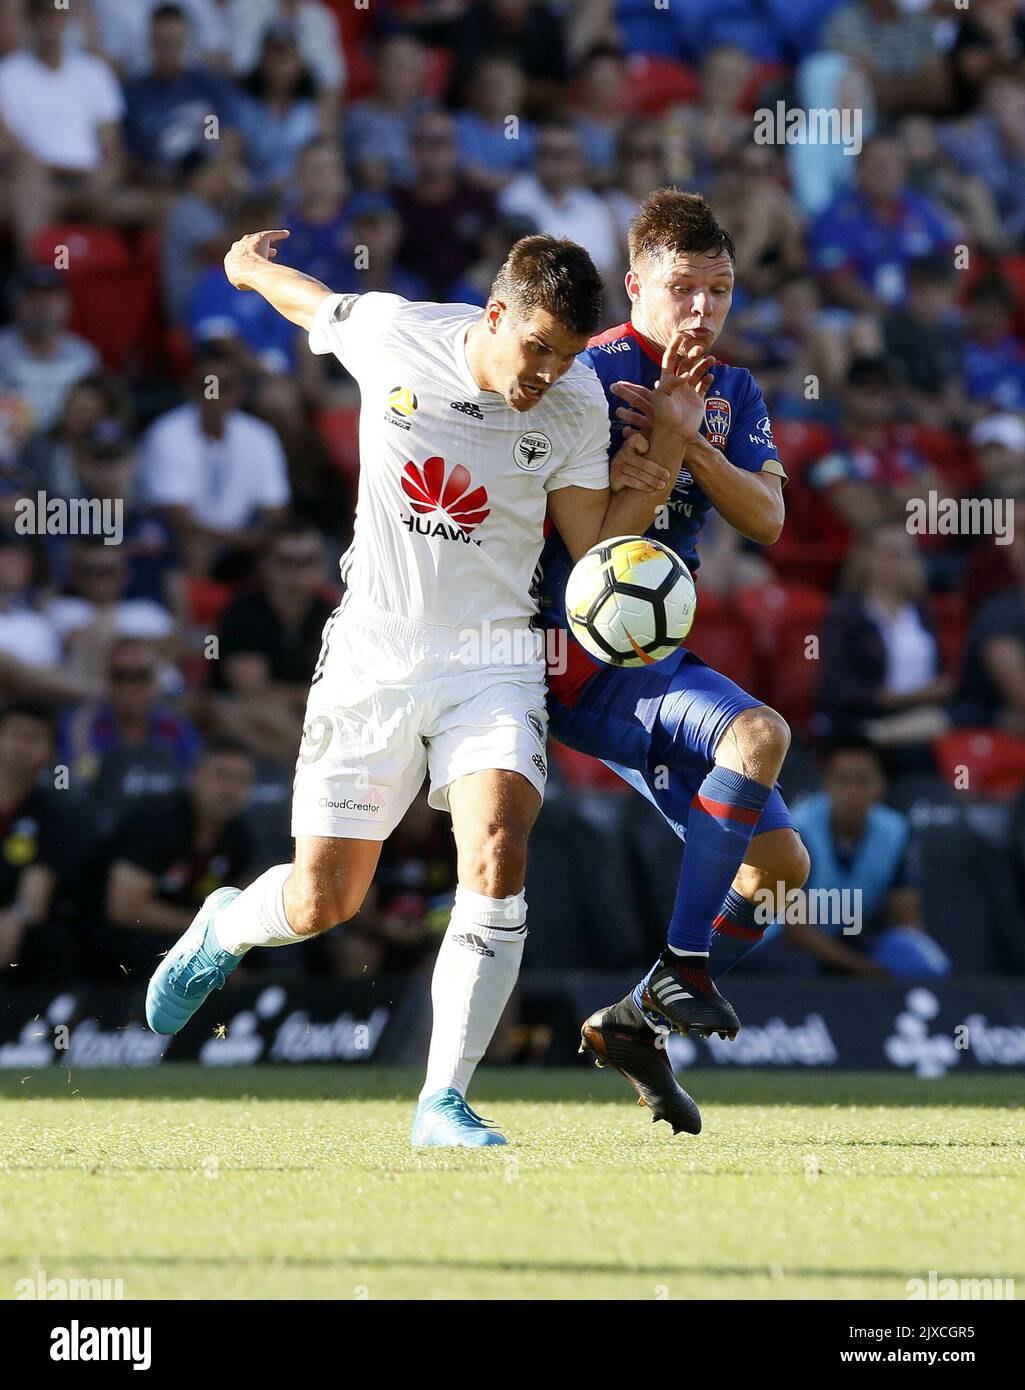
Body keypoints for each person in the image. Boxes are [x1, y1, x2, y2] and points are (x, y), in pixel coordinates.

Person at [144, 226, 708, 1151]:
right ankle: (225, 927)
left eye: (567, 356)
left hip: (492, 661)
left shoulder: (569, 404)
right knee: (324, 900)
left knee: (496, 847)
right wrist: (245, 269)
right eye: (537, 349)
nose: (549, 372)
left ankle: (441, 1100)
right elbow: (311, 301)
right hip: (372, 653)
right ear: (495, 316)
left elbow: (595, 547)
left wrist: (668, 447)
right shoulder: (396, 334)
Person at [539, 190, 811, 1133]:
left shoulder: (733, 392)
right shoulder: (587, 373)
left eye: (720, 289)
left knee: (780, 869)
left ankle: (633, 1022)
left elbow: (768, 521)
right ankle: (686, 967)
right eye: (683, 288)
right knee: (757, 729)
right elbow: (559, 535)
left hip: (651, 650)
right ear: (636, 286)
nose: (702, 308)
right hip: (570, 648)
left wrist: (688, 436)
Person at [765, 738, 950, 979]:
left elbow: (907, 918)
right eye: (842, 781)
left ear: (881, 785)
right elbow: (795, 930)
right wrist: (865, 969)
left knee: (921, 962)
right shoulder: (799, 829)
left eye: (863, 781)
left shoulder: (896, 832)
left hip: (844, 936)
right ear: (826, 785)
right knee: (801, 967)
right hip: (779, 941)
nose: (852, 793)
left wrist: (910, 956)